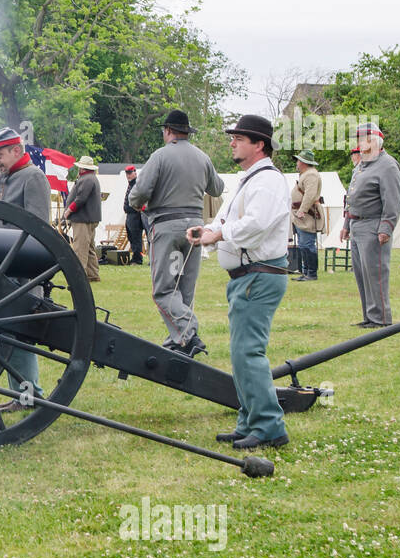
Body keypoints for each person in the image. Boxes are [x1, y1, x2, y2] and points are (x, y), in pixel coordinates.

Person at [187, 114, 291, 450]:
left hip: (258, 276)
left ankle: (270, 427)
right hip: (248, 277)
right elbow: (227, 218)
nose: (232, 142)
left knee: (249, 353)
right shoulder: (250, 180)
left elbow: (255, 224)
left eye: (239, 138)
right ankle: (249, 421)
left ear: (259, 144)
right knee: (240, 354)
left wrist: (217, 234)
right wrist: (207, 230)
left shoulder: (268, 182)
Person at [127, 109, 224, 358]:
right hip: (195, 226)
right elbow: (217, 188)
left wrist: (136, 204)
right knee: (185, 288)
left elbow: (139, 193)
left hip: (167, 225)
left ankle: (188, 332)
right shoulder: (202, 157)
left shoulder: (160, 156)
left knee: (163, 290)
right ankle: (178, 338)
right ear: (187, 132)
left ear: (168, 131)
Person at [0, 127, 52, 408]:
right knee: (7, 335)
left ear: (17, 151)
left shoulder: (33, 178)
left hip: (20, 267)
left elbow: (39, 228)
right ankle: (22, 395)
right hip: (2, 267)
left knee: (19, 336)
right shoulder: (4, 178)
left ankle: (29, 395)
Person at [339, 123, 400, 328]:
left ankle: (380, 318)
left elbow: (392, 200)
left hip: (373, 224)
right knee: (362, 274)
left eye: (363, 138)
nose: (359, 142)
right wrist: (347, 223)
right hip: (357, 224)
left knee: (375, 273)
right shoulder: (362, 165)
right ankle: (369, 315)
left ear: (375, 140)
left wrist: (386, 227)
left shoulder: (388, 165)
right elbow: (352, 197)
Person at [65, 156, 102, 282]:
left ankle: (79, 277)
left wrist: (69, 210)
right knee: (89, 248)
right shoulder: (91, 178)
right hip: (89, 218)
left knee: (80, 248)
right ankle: (92, 274)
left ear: (82, 168)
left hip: (83, 219)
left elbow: (80, 198)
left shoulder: (86, 179)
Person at [291, 151, 325, 281]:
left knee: (307, 244)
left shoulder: (311, 175)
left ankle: (311, 273)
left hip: (307, 214)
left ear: (304, 162)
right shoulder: (307, 174)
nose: (297, 163)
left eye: (299, 161)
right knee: (303, 244)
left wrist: (302, 210)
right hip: (302, 214)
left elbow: (310, 195)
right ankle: (306, 272)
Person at [122, 165, 145, 264]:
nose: (128, 175)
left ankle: (137, 258)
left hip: (135, 214)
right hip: (130, 214)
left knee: (136, 237)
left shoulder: (136, 184)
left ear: (135, 173)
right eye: (127, 173)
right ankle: (135, 257)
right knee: (131, 236)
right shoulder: (131, 184)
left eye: (130, 173)